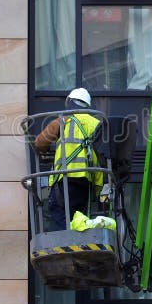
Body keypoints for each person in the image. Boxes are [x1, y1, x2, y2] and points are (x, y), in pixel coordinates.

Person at [35, 87, 103, 230]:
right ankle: (78, 239)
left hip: (67, 177)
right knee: (79, 216)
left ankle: (68, 240)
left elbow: (40, 143)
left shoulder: (63, 120)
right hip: (88, 180)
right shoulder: (97, 124)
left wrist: (45, 150)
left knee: (57, 208)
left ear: (70, 102)